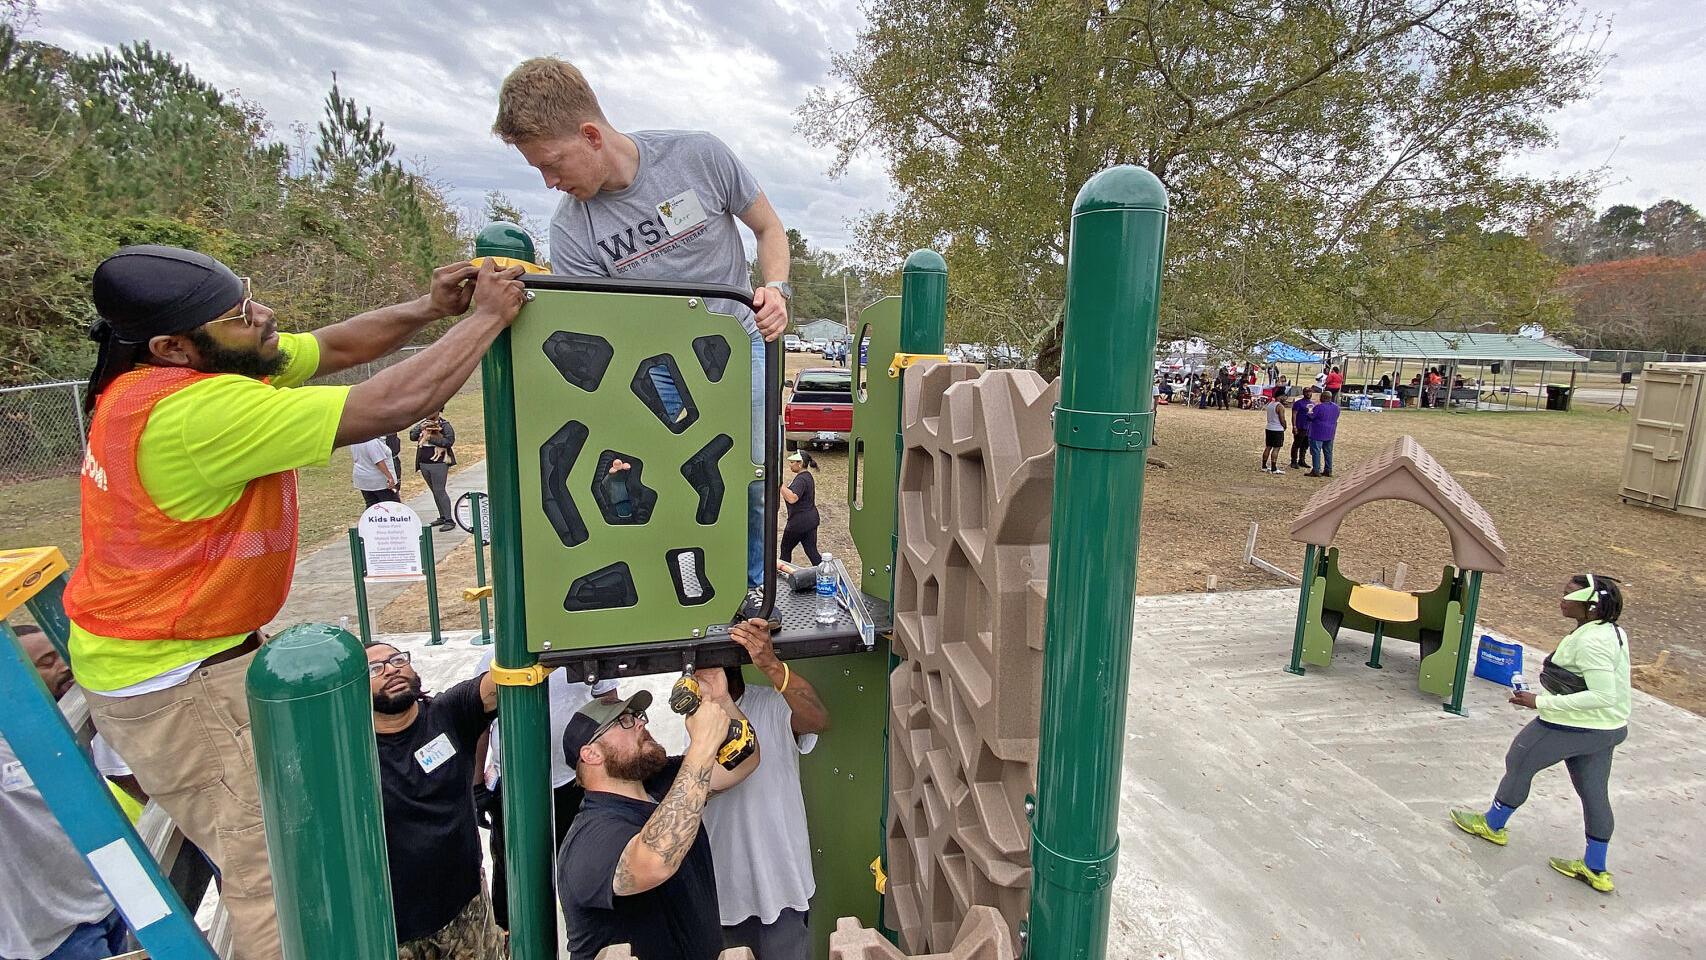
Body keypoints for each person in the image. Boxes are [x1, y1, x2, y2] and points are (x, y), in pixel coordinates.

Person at [60, 245, 525, 960]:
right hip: (175, 679)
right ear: (172, 346)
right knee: (277, 875)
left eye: (248, 299)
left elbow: (335, 347)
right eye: (239, 314)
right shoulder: (194, 411)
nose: (262, 315)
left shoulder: (200, 367)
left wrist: (431, 309)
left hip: (184, 651)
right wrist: (487, 319)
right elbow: (393, 403)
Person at [494, 56, 791, 592]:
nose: (549, 182)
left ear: (591, 136)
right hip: (656, 372)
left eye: (552, 164)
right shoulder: (572, 230)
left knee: (752, 475)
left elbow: (768, 228)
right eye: (539, 170)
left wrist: (776, 288)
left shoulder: (698, 157)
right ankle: (693, 593)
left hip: (738, 344)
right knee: (679, 478)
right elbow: (597, 338)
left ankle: (751, 588)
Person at [556, 667, 761, 959]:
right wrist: (702, 746)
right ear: (591, 754)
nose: (641, 723)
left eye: (638, 715)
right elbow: (654, 863)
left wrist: (722, 701)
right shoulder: (588, 837)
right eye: (625, 721)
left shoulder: (662, 781)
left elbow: (744, 762)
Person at [1451, 575, 1633, 893]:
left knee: (1520, 760)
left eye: (1569, 595)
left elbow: (1603, 695)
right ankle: (1596, 868)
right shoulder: (1610, 631)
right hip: (1607, 728)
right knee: (1594, 793)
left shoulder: (1591, 642)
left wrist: (1540, 701)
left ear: (1591, 605)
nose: (1561, 600)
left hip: (1574, 725)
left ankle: (1492, 825)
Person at [365, 643, 505, 959]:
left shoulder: (447, 714)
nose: (391, 669)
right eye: (374, 669)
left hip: (466, 908)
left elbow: (502, 682)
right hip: (394, 930)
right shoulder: (352, 749)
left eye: (397, 659)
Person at [705, 621, 830, 957]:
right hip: (723, 898)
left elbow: (818, 719)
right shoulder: (689, 716)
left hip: (783, 888)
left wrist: (772, 665)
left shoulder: (772, 705)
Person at [475, 664, 619, 931]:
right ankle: (509, 933)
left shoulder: (579, 652)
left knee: (583, 862)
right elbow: (480, 725)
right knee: (512, 867)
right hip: (515, 788)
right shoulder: (493, 661)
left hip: (574, 781)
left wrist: (612, 769)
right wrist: (476, 787)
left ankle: (591, 930)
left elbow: (609, 703)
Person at [410, 411, 458, 529]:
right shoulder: (423, 423)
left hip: (439, 463)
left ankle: (449, 520)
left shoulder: (445, 425)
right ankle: (442, 516)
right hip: (424, 462)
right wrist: (420, 428)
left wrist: (430, 438)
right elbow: (412, 436)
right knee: (434, 491)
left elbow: (449, 442)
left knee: (439, 490)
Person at [780, 450, 822, 566]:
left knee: (785, 549)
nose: (790, 465)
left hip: (798, 523)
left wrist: (780, 485)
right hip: (811, 521)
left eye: (792, 462)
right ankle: (824, 572)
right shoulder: (807, 476)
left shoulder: (801, 479)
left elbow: (792, 498)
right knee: (811, 551)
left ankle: (783, 572)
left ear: (800, 463)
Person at [352, 435, 400, 506]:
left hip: (363, 478)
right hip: (378, 481)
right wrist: (390, 477)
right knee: (392, 505)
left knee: (372, 505)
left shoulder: (355, 440)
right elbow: (378, 461)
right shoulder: (372, 442)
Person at [1305, 390, 1339, 478]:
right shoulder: (1336, 407)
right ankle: (1328, 469)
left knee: (1316, 451)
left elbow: (1310, 417)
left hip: (1318, 432)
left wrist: (1309, 410)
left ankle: (1316, 470)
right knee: (1328, 452)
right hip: (1330, 432)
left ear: (1323, 397)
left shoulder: (1319, 407)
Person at [1261, 395, 1288, 475]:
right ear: (1280, 396)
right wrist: (1284, 426)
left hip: (1269, 427)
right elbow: (1282, 419)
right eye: (1284, 396)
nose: (1285, 398)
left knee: (1268, 447)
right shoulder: (1280, 406)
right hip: (1277, 429)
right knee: (1276, 448)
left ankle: (1264, 466)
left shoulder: (1270, 404)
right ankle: (1273, 467)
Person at [1289, 387, 1314, 469]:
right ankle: (1293, 461)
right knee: (1297, 444)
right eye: (1307, 392)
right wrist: (1294, 426)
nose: (1308, 394)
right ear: (1303, 393)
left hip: (1309, 427)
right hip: (1300, 426)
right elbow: (1294, 414)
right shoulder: (1298, 403)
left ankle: (1302, 460)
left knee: (1305, 445)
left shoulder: (1312, 403)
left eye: (1310, 392)